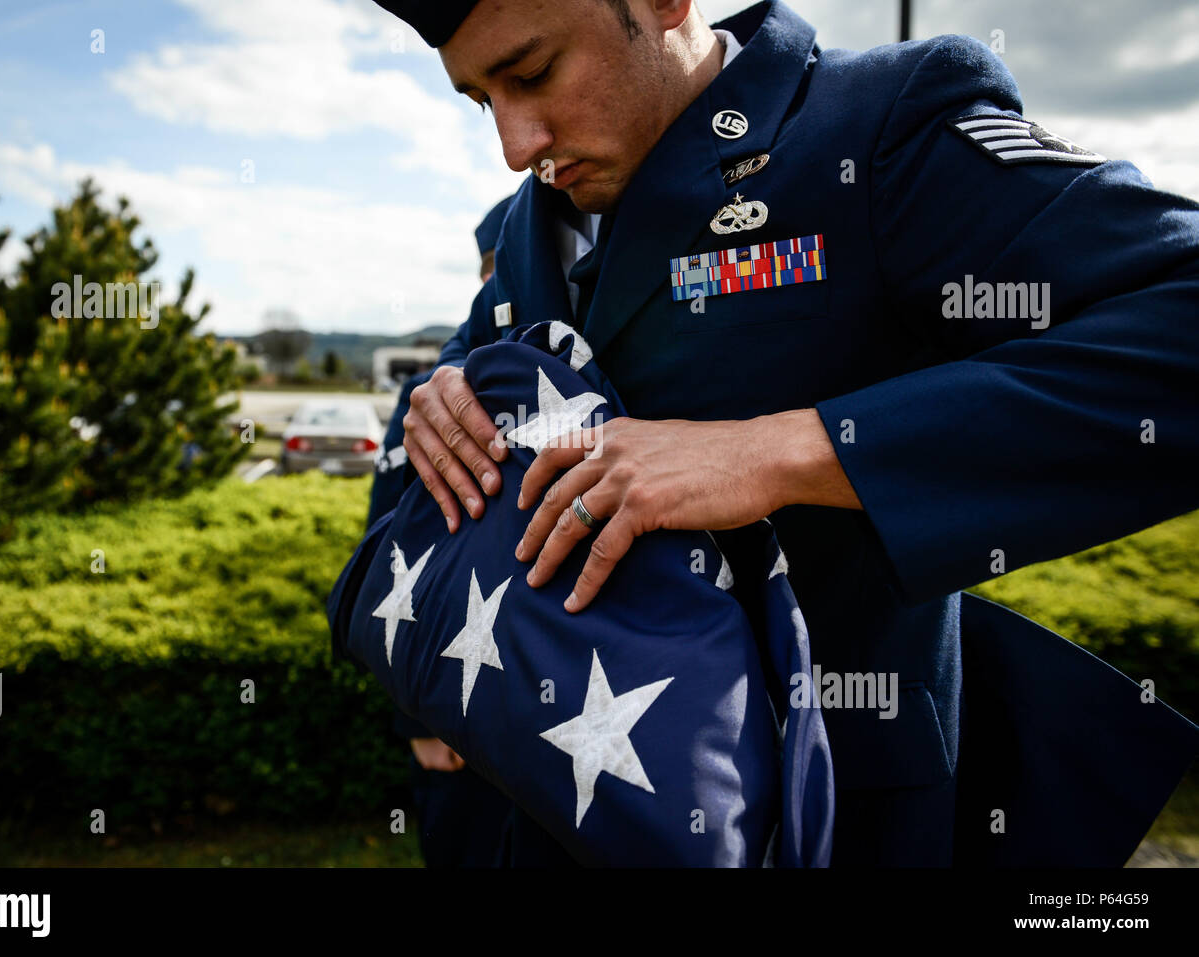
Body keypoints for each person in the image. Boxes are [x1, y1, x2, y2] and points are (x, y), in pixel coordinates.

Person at [372, 0, 1199, 865]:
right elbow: (475, 378)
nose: (514, 145)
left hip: (830, 810)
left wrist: (784, 450)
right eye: (480, 100)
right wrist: (444, 393)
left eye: (535, 73)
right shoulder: (523, 224)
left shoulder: (876, 127)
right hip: (562, 808)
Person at [367, 196, 516, 868]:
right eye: (500, 270)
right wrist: (417, 720)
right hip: (458, 707)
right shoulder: (431, 394)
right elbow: (389, 560)